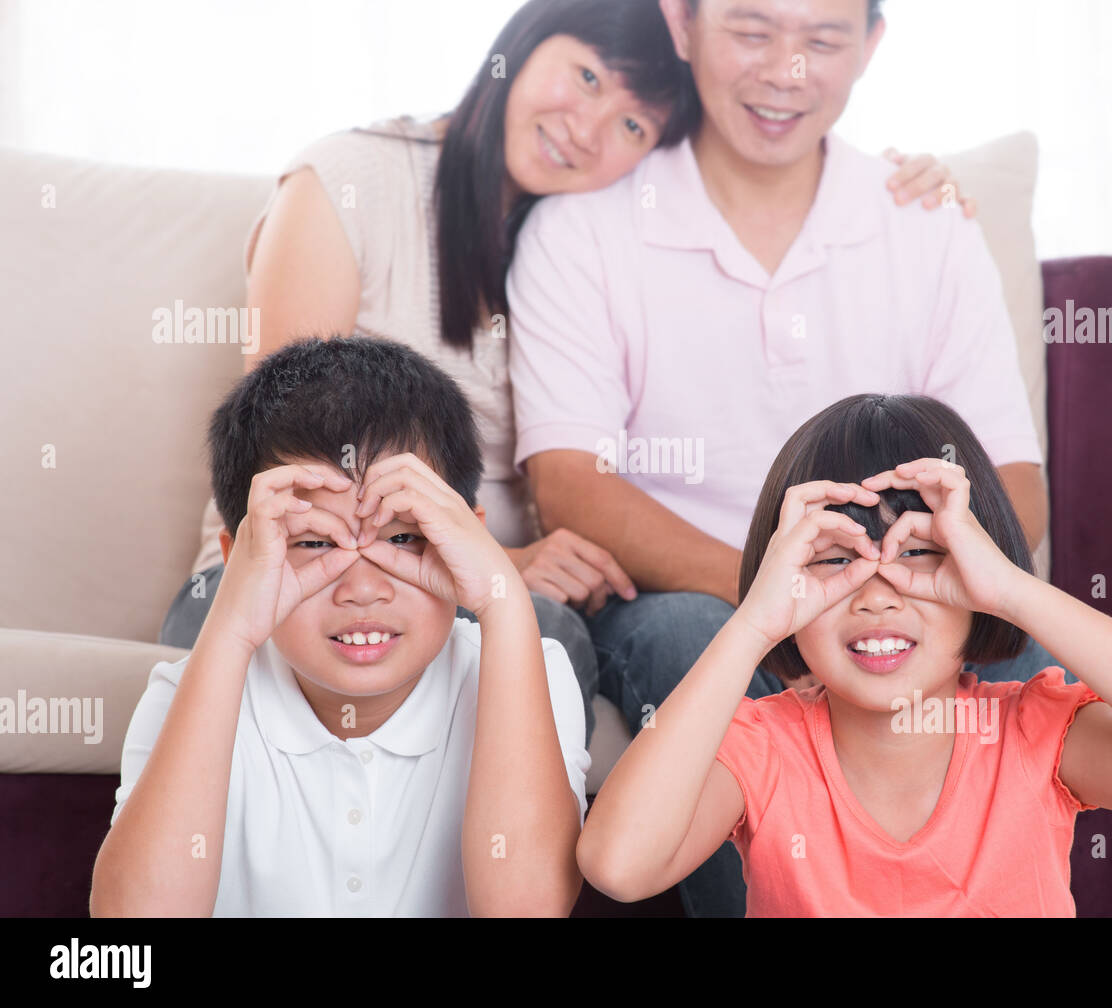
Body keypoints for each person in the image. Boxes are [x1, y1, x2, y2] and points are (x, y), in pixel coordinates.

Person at [160, 0, 972, 750]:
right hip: (294, 571)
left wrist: (894, 187)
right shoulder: (347, 181)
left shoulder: (579, 235)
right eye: (583, 76)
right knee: (548, 623)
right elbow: (288, 462)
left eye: (630, 122)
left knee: (548, 630)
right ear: (525, 36)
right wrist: (496, 563)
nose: (586, 130)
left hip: (479, 590)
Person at [506, 0, 1044, 912]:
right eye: (752, 32)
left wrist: (903, 582)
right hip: (684, 596)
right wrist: (783, 599)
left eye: (823, 40)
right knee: (694, 641)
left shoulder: (924, 219)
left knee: (1012, 650)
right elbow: (569, 481)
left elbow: (1014, 484)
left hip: (900, 580)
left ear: (870, 46)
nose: (786, 72)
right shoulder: (585, 228)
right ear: (682, 26)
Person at [576, 393, 1112, 916]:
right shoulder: (765, 749)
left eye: (916, 555)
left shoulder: (1030, 736)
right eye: (836, 561)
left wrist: (1014, 589)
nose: (878, 597)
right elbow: (618, 864)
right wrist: (755, 621)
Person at [92, 336, 590, 917]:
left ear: (467, 543)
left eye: (402, 537)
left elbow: (524, 910)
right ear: (239, 561)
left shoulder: (529, 670)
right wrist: (228, 632)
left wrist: (503, 602)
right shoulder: (185, 695)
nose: (362, 588)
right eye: (314, 542)